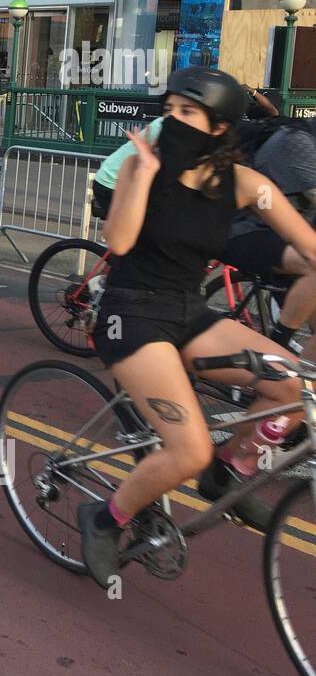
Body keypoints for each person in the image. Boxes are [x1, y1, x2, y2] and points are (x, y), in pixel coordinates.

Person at [78, 67, 316, 587]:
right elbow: (117, 243)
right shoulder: (149, 171)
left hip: (188, 312)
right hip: (131, 314)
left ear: (219, 127)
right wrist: (139, 174)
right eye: (169, 111)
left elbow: (309, 246)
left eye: (188, 112)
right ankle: (104, 518)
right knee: (187, 449)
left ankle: (231, 469)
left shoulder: (244, 184)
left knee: (290, 384)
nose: (173, 121)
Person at [218, 116, 316, 352]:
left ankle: (302, 385)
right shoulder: (297, 142)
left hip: (286, 235)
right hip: (242, 231)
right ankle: (277, 347)